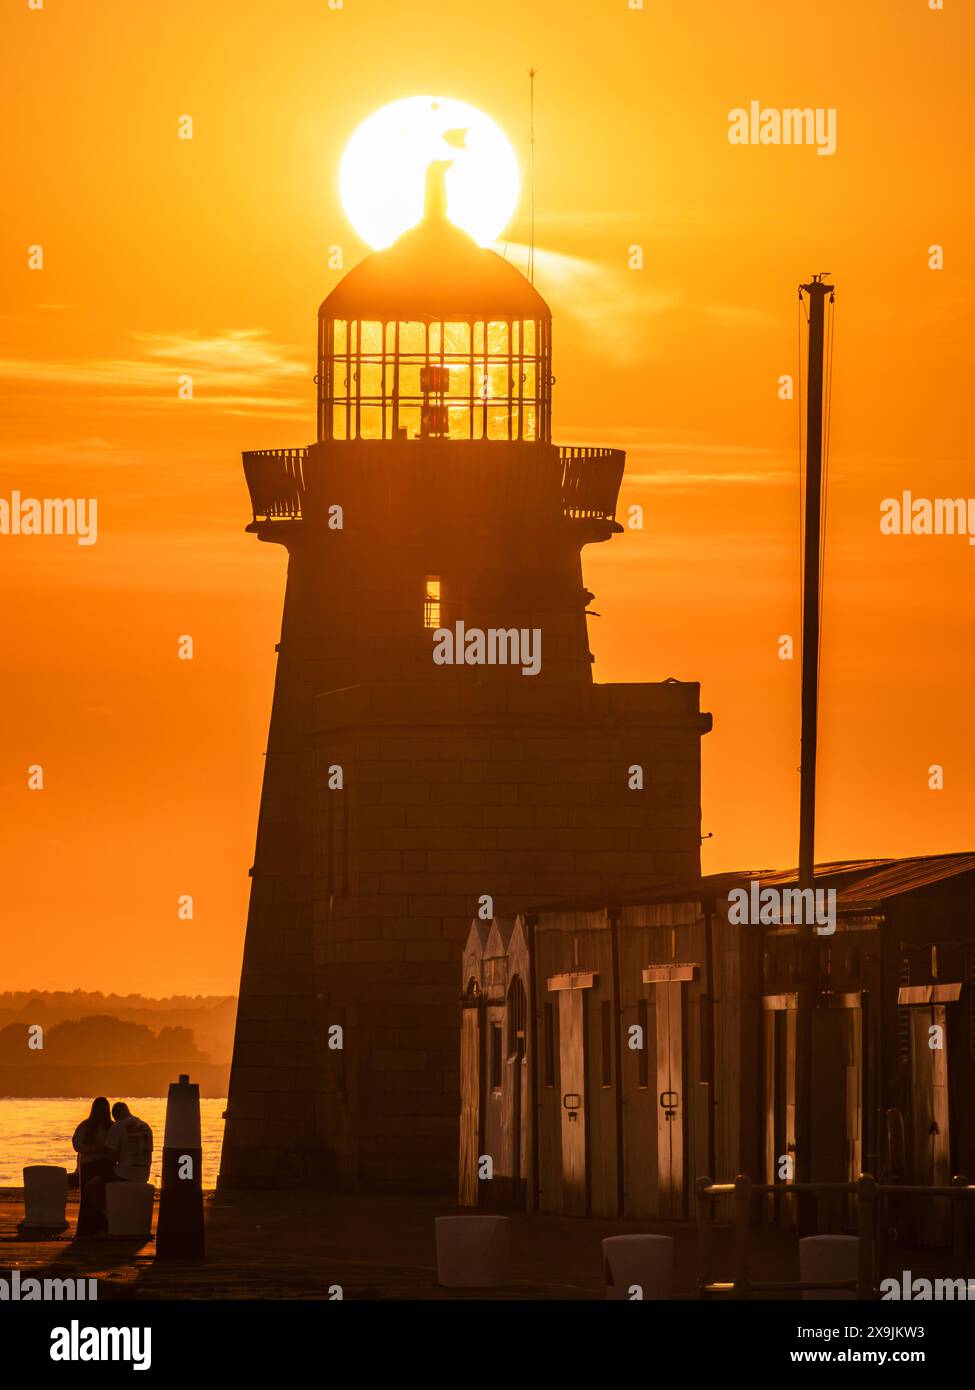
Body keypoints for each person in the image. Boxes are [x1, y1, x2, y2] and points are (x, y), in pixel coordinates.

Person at [71, 1097, 113, 1237]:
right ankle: (88, 1228)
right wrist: (95, 1149)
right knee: (87, 1198)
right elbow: (76, 1144)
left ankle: (102, 1225)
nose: (101, 1113)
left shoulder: (112, 1127)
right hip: (88, 1165)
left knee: (101, 1195)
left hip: (104, 1166)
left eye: (104, 1110)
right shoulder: (86, 1126)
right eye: (99, 1110)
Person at [106, 1101, 153, 1184]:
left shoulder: (117, 1126)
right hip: (144, 1175)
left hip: (125, 1175)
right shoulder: (146, 1126)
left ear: (115, 1115)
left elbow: (111, 1159)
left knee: (93, 1184)